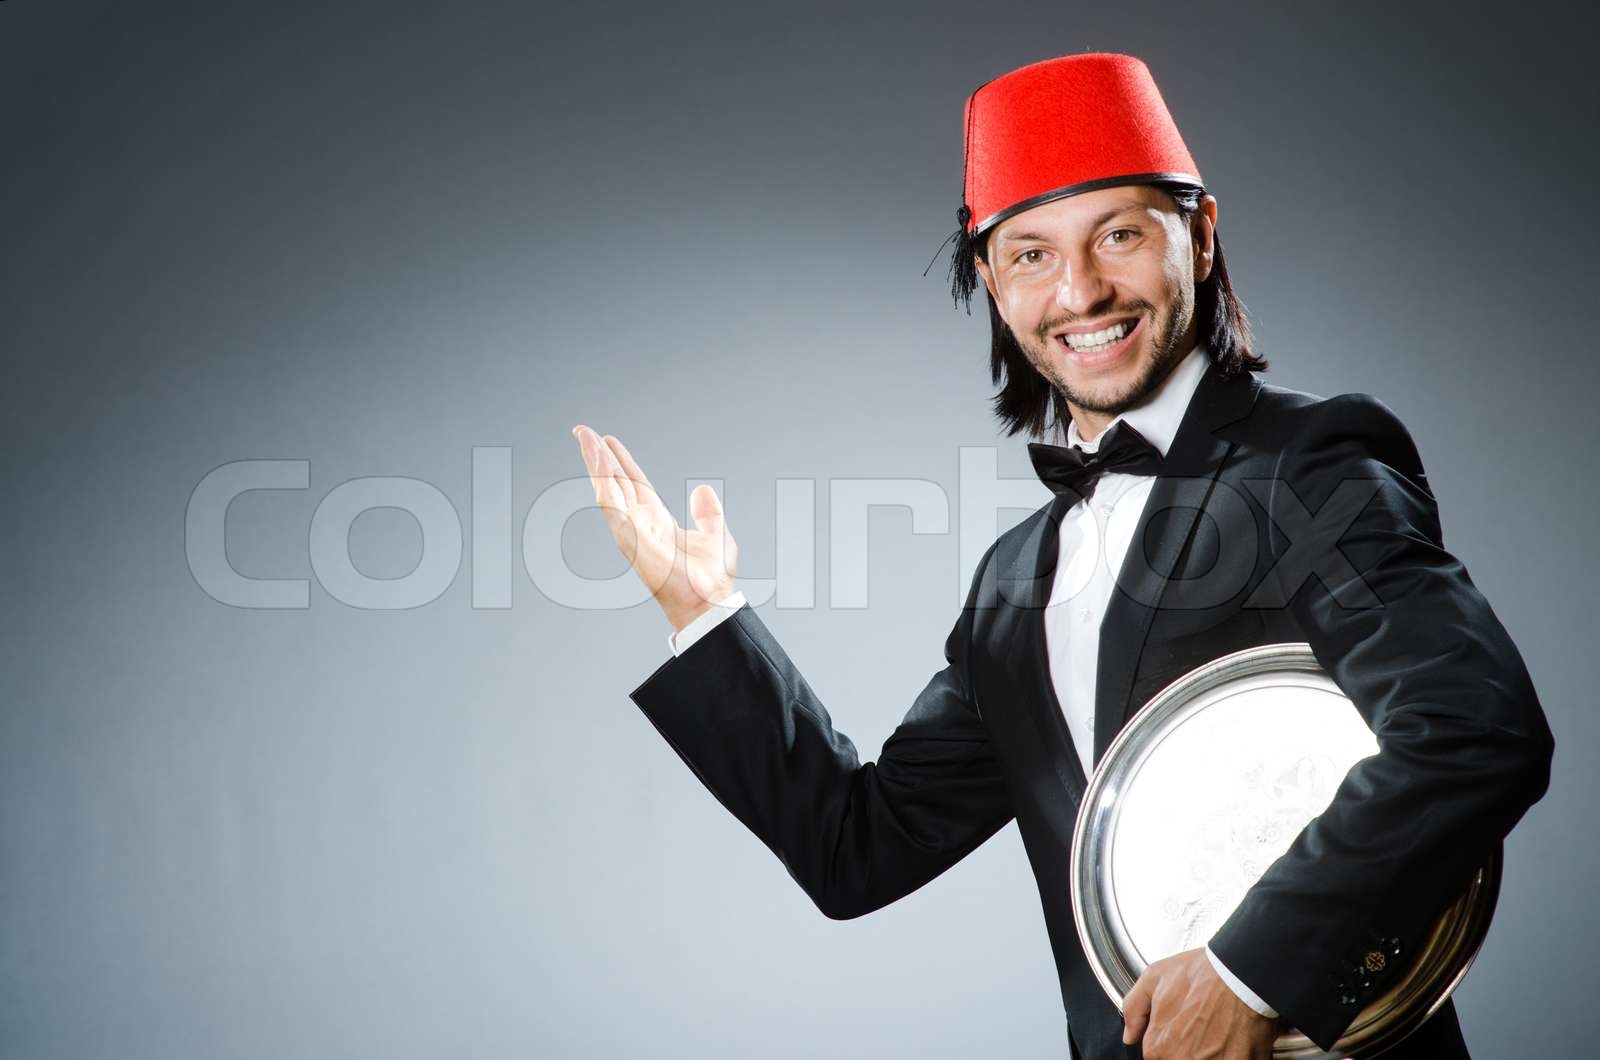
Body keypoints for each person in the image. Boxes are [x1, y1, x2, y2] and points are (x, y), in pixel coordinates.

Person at [570, 52, 1553, 1060]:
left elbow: (1471, 730)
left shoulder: (1305, 464)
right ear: (993, 283)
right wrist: (705, 613)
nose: (1080, 290)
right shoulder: (1015, 581)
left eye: (1119, 235)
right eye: (1030, 253)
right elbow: (855, 850)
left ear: (1200, 238)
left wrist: (1245, 972)